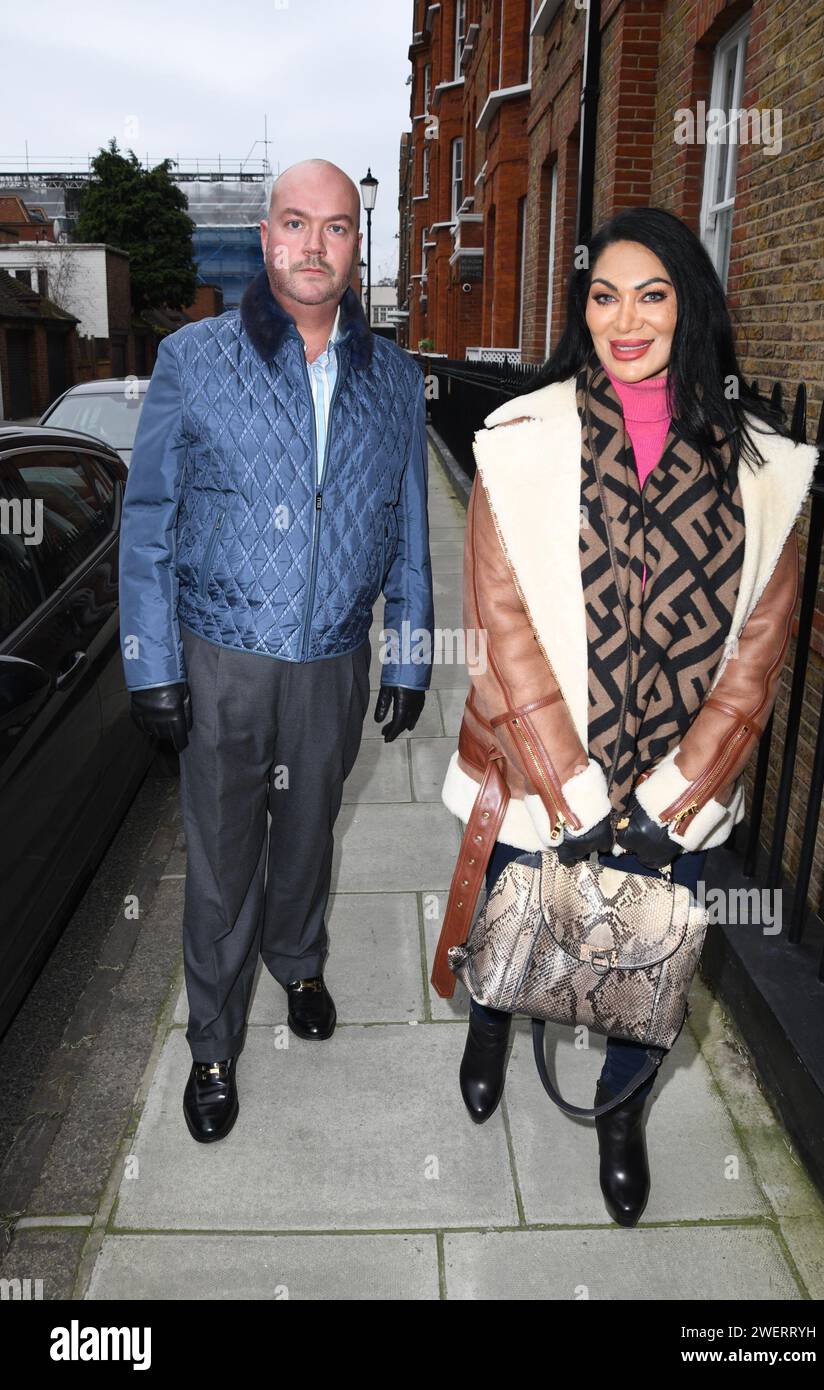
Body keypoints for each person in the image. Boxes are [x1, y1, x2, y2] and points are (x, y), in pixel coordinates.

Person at [436, 206, 817, 1225]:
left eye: (651, 294)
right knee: (514, 919)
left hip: (669, 794)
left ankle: (618, 1113)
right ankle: (489, 1022)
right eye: (604, 296)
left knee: (646, 968)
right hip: (540, 766)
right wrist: (571, 789)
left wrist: (670, 798)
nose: (626, 318)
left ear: (690, 305)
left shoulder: (765, 467)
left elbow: (758, 652)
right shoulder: (520, 442)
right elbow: (500, 626)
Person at [119, 159, 434, 1143]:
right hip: (220, 660)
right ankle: (213, 1043)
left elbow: (408, 528)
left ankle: (296, 960)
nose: (313, 244)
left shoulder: (394, 379)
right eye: (294, 223)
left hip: (332, 663)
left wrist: (409, 653)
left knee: (306, 837)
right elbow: (149, 517)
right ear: (266, 238)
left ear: (355, 246)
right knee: (221, 862)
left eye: (334, 227)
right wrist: (152, 661)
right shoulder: (194, 358)